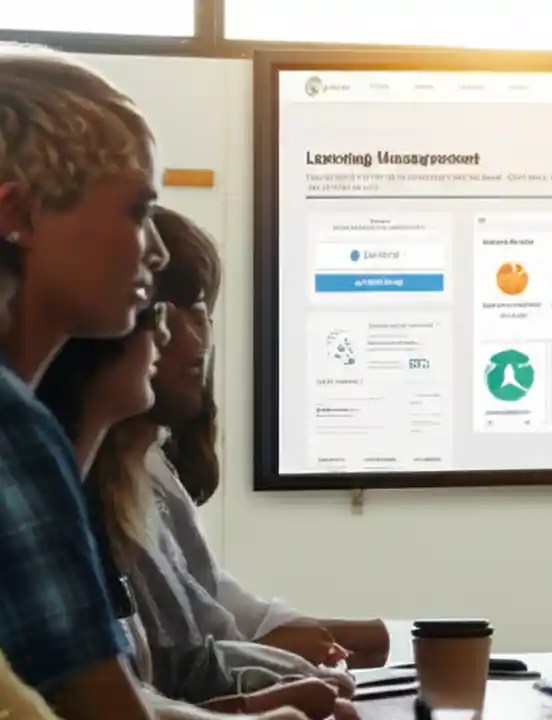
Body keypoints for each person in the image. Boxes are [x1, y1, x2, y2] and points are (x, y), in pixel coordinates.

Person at [0, 42, 302, 720]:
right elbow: (106, 714)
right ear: (16, 216)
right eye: (137, 212)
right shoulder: (12, 428)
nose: (157, 252)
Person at [37, 304, 359, 720]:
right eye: (150, 310)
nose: (177, 335)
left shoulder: (108, 481)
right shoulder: (38, 483)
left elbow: (134, 688)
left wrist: (253, 704)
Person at [145, 206, 390, 669]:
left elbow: (216, 605)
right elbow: (186, 660)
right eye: (167, 310)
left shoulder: (151, 461)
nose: (198, 339)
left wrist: (394, 637)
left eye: (203, 312)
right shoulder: (98, 476)